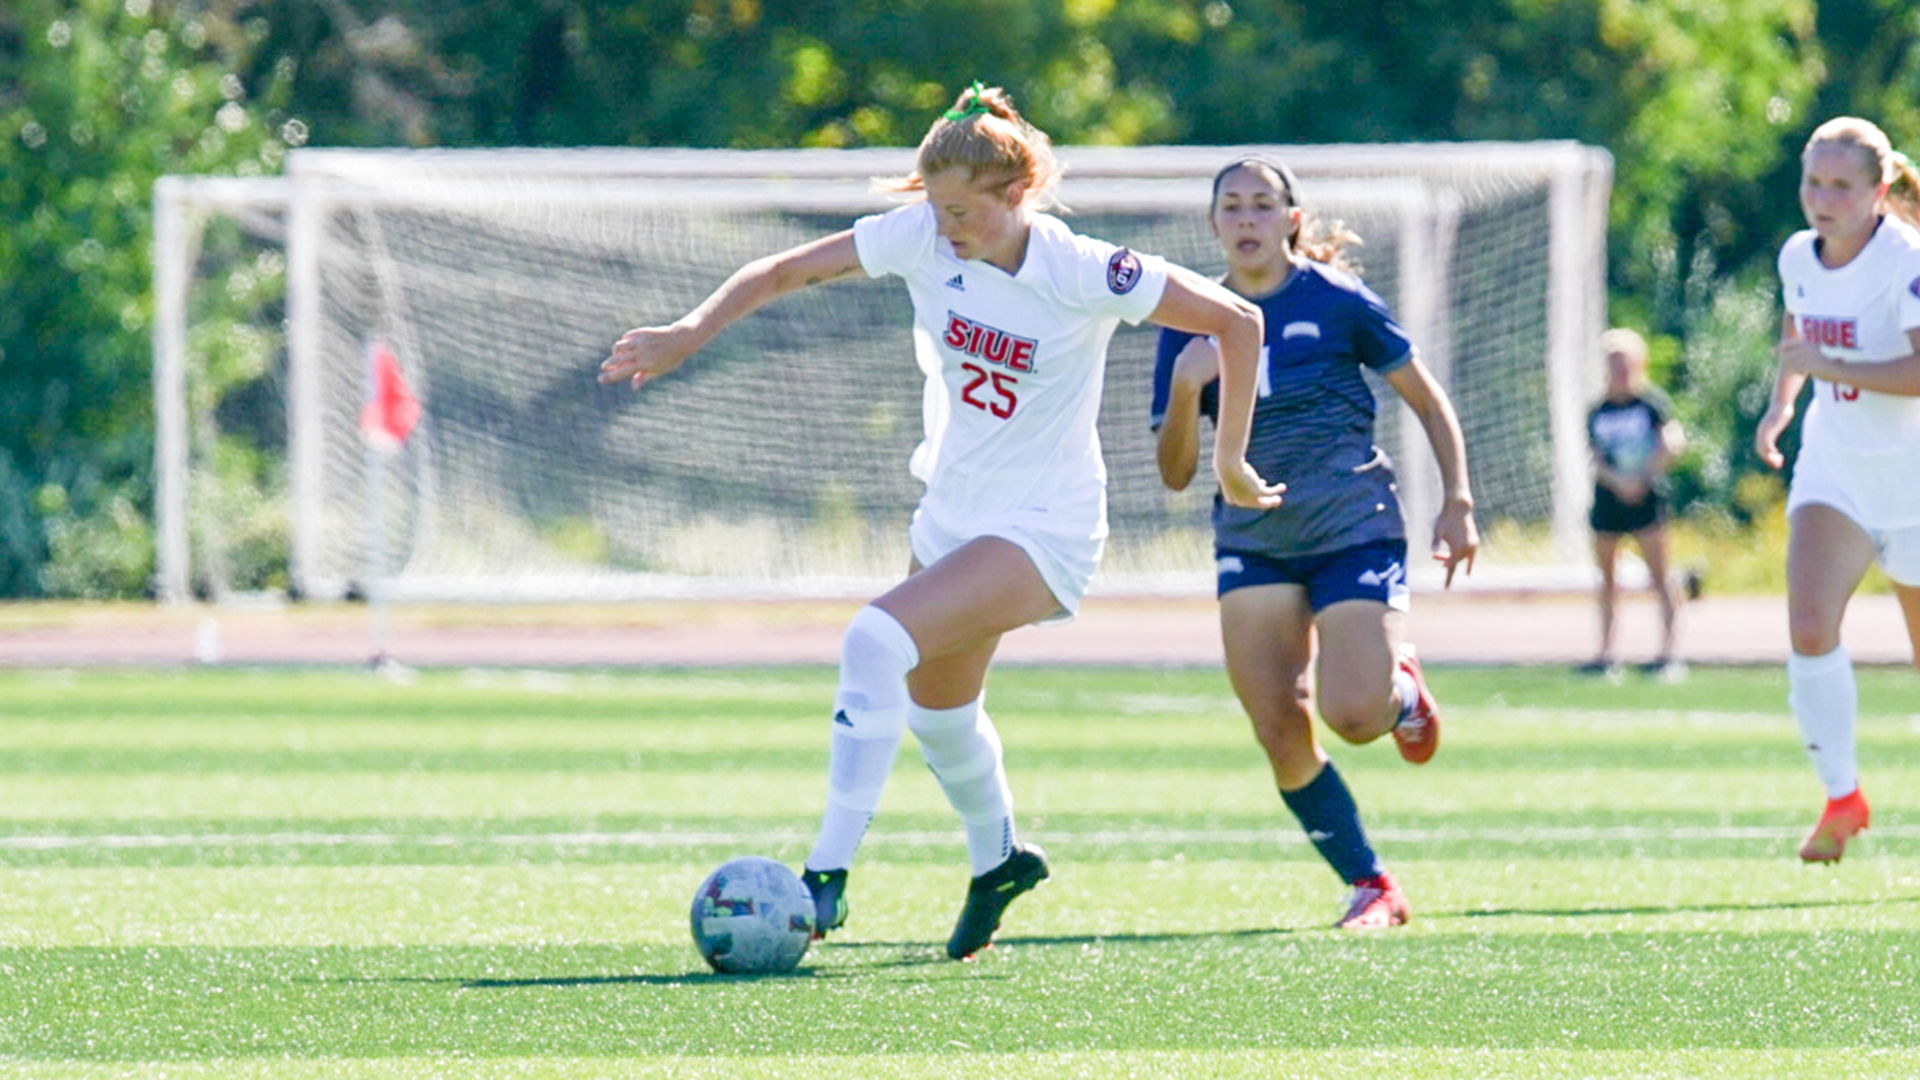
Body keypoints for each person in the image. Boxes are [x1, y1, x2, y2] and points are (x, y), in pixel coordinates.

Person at [601, 84, 1279, 958]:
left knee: (873, 640)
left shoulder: (1082, 267)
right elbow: (780, 272)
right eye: (934, 207)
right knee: (940, 714)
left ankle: (825, 874)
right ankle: (999, 859)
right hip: (953, 515)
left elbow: (1238, 320)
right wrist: (688, 332)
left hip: (1046, 527)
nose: (945, 226)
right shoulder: (922, 235)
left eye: (961, 211)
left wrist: (1229, 459)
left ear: (1017, 193)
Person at [1151, 156, 1477, 930]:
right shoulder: (1190, 319)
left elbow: (1427, 400)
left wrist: (1457, 500)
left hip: (1351, 527)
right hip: (1254, 540)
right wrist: (1186, 387)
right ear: (1213, 224)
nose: (1247, 219)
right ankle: (1372, 885)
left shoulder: (1337, 301)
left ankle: (1401, 693)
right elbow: (1174, 473)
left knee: (1355, 717)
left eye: (1263, 205)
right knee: (1279, 729)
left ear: (1291, 220)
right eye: (1232, 206)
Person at [1755, 115, 1920, 864]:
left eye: (1841, 186)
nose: (1823, 200)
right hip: (1837, 468)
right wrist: (1782, 405)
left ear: (1879, 190)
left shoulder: (1905, 261)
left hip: (1911, 478)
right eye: (1813, 182)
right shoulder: (1798, 252)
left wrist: (1829, 368)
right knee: (1810, 626)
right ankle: (1842, 797)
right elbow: (1799, 326)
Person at [1581, 327, 1686, 681]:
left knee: (1660, 574)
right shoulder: (1598, 410)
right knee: (1607, 578)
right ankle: (1607, 654)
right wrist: (1618, 481)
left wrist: (1642, 477)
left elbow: (1671, 443)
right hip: (1609, 499)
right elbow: (1595, 457)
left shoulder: (1651, 404)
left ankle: (1668, 654)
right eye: (1613, 364)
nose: (1619, 371)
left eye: (1625, 363)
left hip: (1646, 498)